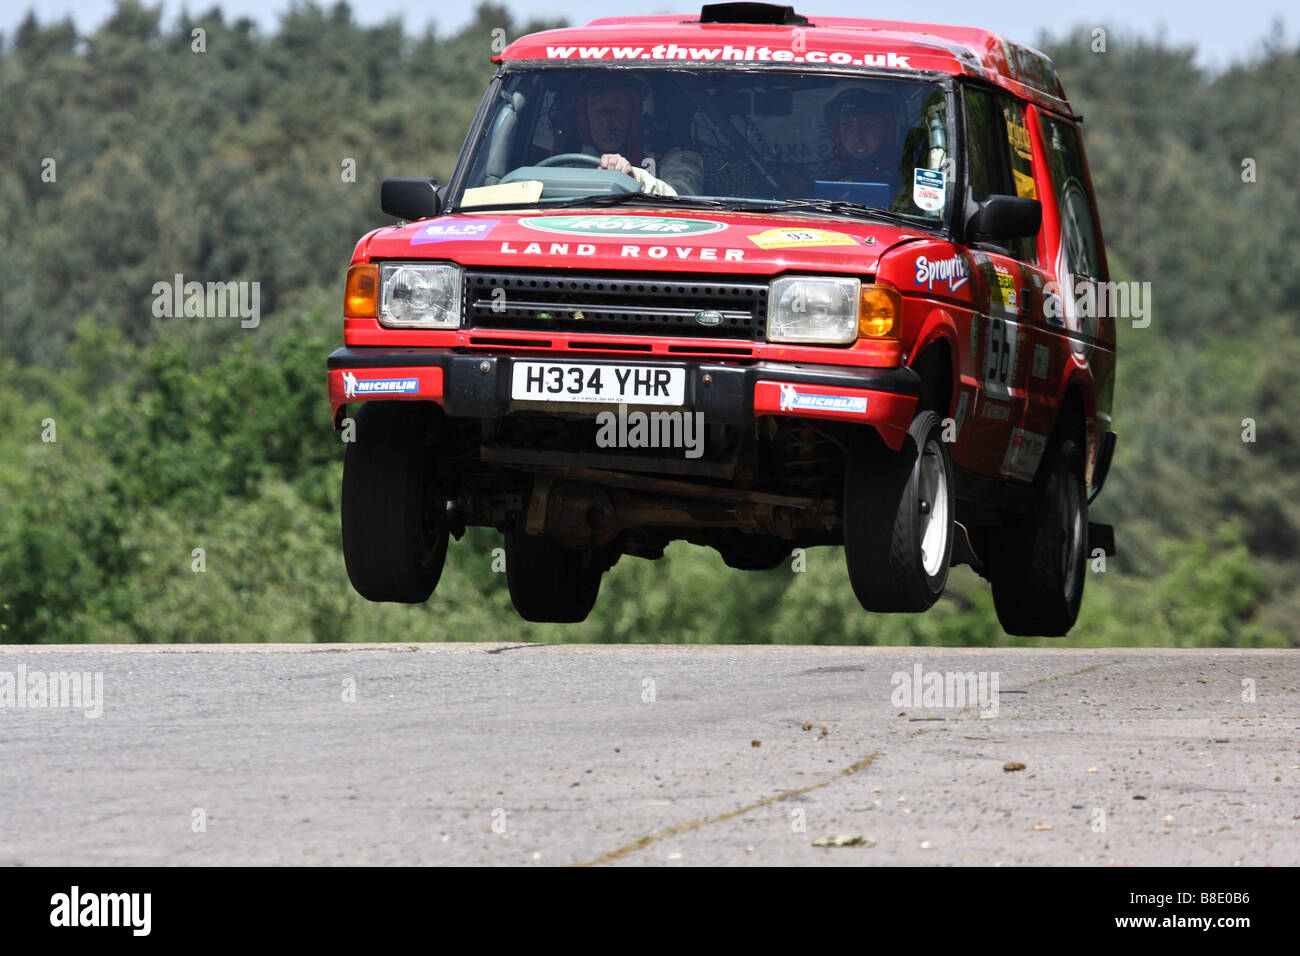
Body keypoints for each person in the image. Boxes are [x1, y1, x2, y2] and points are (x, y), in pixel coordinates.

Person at [573, 75, 703, 197]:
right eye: (596, 112)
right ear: (585, 120)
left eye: (616, 110)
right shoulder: (570, 164)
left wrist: (633, 178)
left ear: (636, 116)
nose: (606, 121)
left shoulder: (676, 160)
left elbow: (682, 196)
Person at [818, 85, 904, 200]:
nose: (857, 138)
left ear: (887, 129)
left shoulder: (908, 172)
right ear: (837, 135)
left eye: (867, 126)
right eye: (848, 128)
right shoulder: (825, 177)